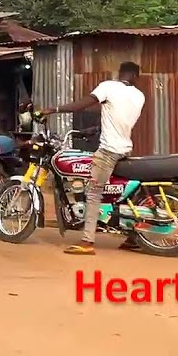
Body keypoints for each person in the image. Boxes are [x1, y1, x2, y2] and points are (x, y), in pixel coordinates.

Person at [39, 61, 146, 256]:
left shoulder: (109, 86)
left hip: (108, 151)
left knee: (93, 193)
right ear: (136, 77)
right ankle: (133, 238)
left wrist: (52, 109)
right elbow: (112, 112)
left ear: (119, 73)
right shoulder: (139, 96)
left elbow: (83, 104)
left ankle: (87, 241)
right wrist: (93, 129)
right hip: (124, 148)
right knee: (120, 195)